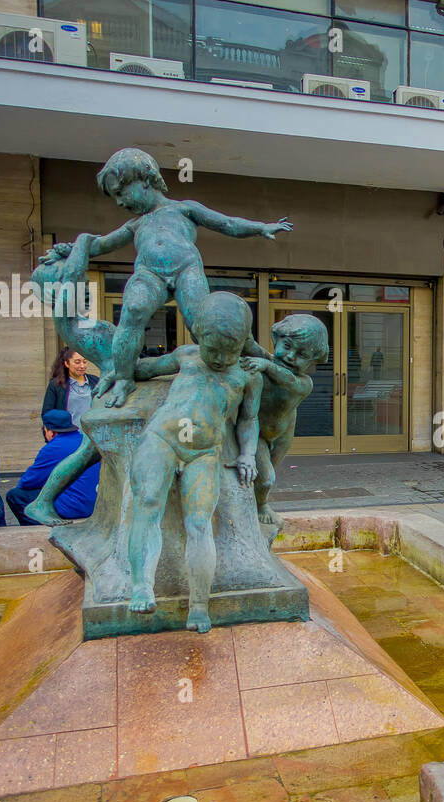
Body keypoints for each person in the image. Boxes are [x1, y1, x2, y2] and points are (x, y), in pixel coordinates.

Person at [39, 147, 291, 409]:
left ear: (145, 180)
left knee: (202, 324)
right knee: (133, 311)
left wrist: (261, 228)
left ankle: (248, 360)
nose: (119, 202)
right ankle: (124, 378)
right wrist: (69, 249)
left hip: (186, 269)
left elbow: (227, 224)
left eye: (121, 192)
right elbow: (100, 245)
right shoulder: (135, 224)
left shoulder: (184, 209)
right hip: (149, 274)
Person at [126, 292, 262, 633]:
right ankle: (142, 584)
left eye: (226, 352)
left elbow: (248, 420)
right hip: (163, 438)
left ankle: (199, 603)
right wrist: (122, 369)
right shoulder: (186, 355)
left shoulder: (248, 376)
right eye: (211, 348)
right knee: (147, 502)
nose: (217, 358)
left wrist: (247, 453)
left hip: (204, 452)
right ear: (198, 337)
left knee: (199, 523)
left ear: (243, 343)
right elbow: (143, 368)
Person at [241, 312, 330, 527]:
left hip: (283, 435)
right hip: (259, 431)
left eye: (301, 355)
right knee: (266, 478)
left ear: (313, 360)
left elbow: (287, 379)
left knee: (266, 480)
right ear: (276, 338)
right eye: (287, 346)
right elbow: (249, 344)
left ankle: (260, 504)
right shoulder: (268, 360)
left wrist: (266, 366)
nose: (290, 357)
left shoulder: (304, 383)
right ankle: (258, 505)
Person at [6, 410, 100, 525]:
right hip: (95, 503)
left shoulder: (53, 447)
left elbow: (27, 482)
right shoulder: (85, 441)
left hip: (73, 507)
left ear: (50, 432)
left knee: (15, 495)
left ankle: (38, 528)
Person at [43, 347, 99, 428]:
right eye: (77, 362)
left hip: (93, 435)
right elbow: (47, 413)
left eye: (85, 362)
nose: (82, 366)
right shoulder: (57, 385)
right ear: (67, 363)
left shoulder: (96, 381)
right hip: (69, 435)